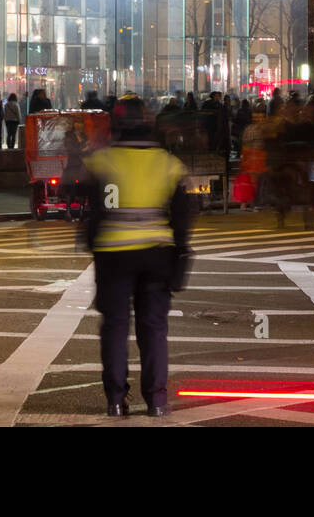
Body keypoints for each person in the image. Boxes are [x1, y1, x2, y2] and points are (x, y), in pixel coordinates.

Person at [84, 95, 192, 417]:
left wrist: (94, 244)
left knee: (115, 327)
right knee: (154, 327)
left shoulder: (103, 162)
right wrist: (180, 251)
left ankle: (116, 400)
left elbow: (98, 211)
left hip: (114, 254)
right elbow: (183, 216)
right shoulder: (168, 163)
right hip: (157, 254)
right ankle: (156, 400)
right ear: (149, 125)